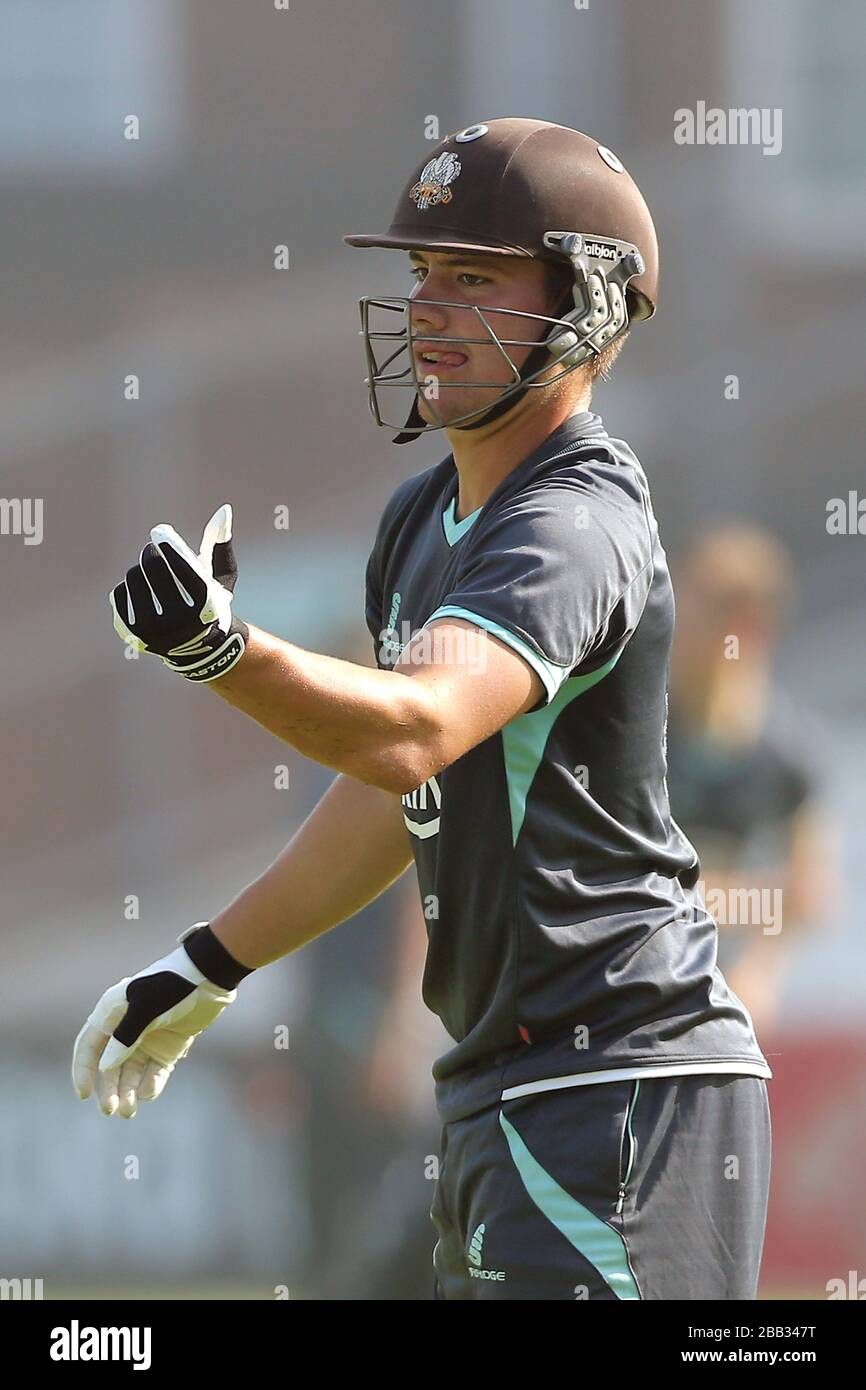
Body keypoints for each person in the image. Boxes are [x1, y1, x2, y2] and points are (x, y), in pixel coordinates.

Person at [73, 119, 772, 1300]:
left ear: (588, 306)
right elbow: (403, 787)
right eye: (418, 274)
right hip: (503, 1091)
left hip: (618, 1100)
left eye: (473, 276)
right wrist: (207, 962)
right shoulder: (418, 521)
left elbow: (416, 726)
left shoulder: (573, 523)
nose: (426, 307)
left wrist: (217, 651)